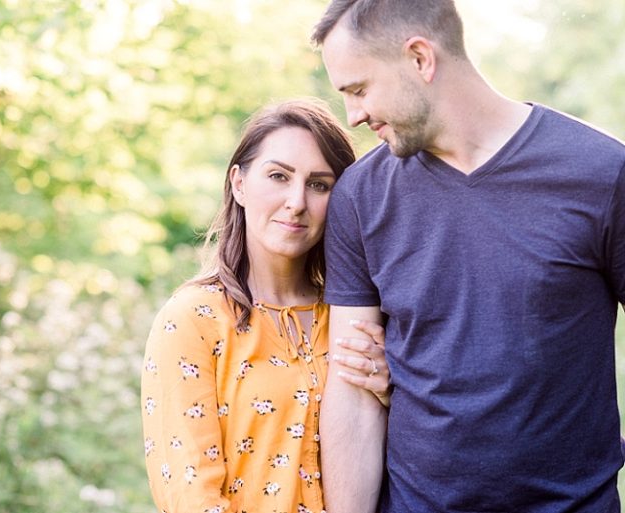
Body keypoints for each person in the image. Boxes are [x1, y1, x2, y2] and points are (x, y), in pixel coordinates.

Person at [310, 1, 625, 513]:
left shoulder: (602, 174)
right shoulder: (360, 197)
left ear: (419, 58)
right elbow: (354, 388)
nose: (354, 115)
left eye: (359, 89)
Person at [140, 98, 390, 513]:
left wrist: (393, 394)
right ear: (239, 183)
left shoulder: (352, 318)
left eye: (319, 184)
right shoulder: (194, 321)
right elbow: (190, 495)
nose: (296, 202)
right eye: (278, 176)